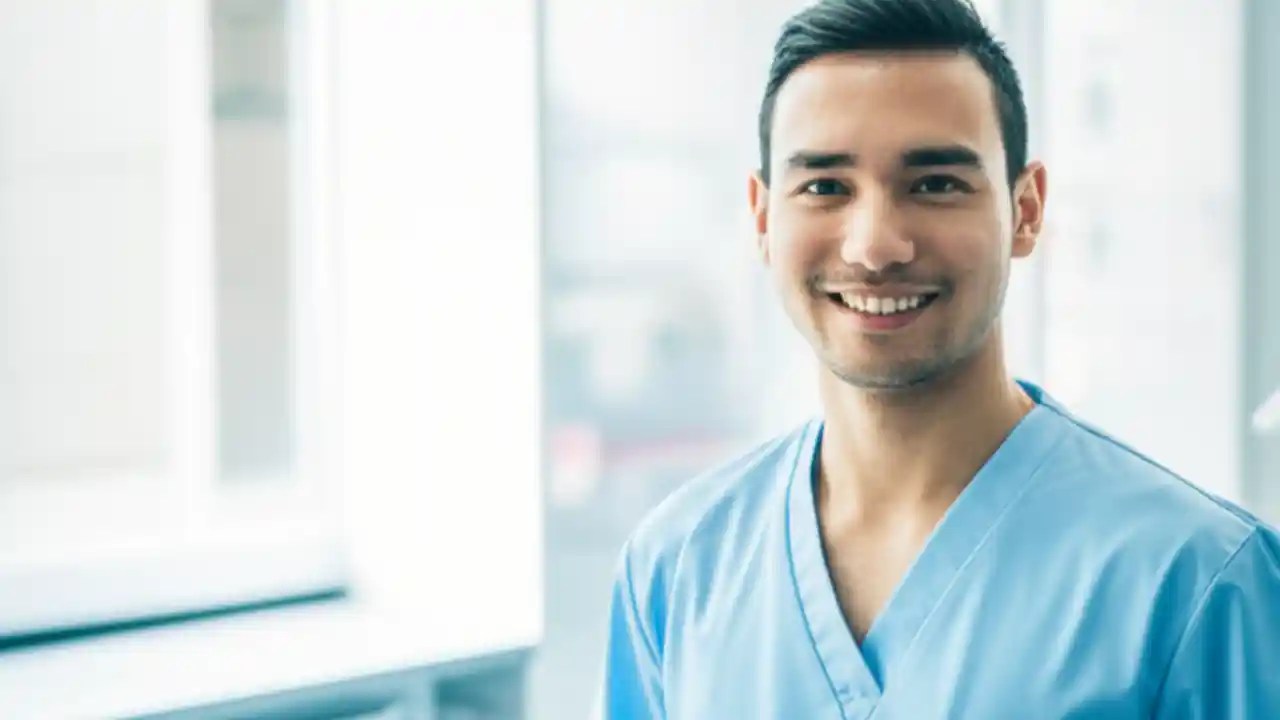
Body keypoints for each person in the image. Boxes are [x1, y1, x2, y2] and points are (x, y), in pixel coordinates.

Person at [598, 0, 1280, 717]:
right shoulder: (675, 575)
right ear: (764, 217)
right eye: (825, 187)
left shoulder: (1198, 582)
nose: (874, 246)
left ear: (1027, 209)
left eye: (935, 184)